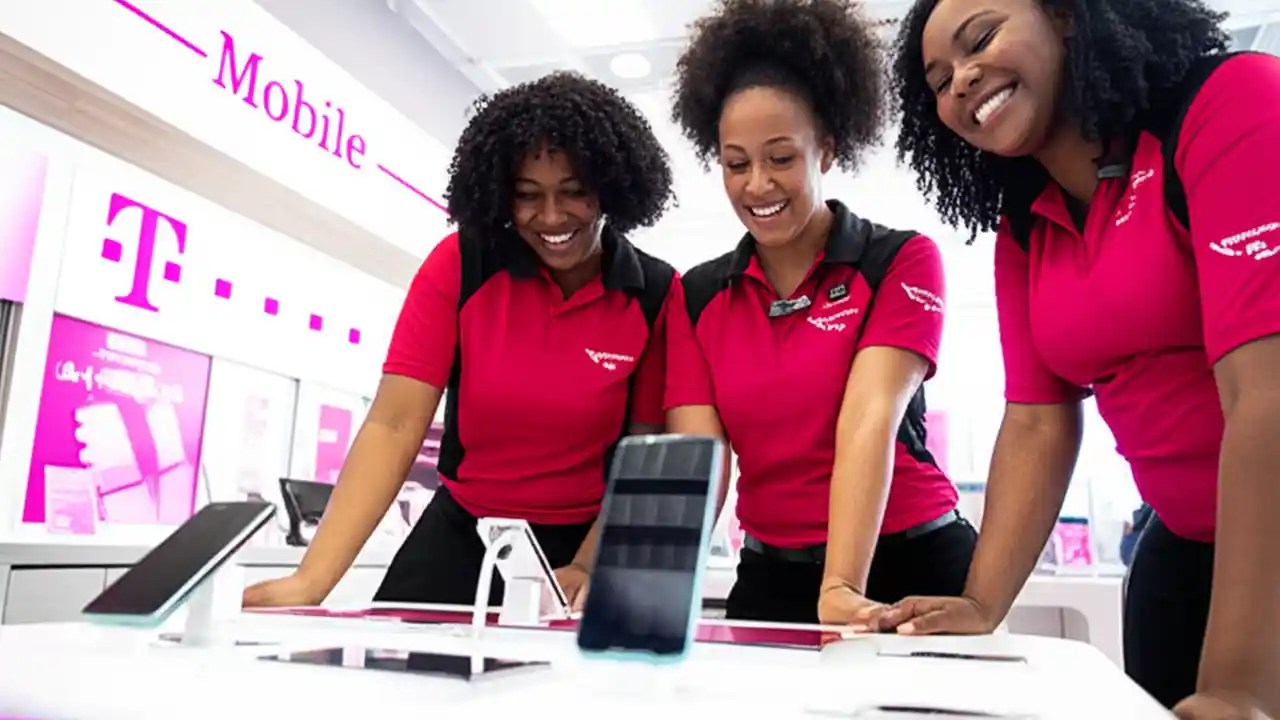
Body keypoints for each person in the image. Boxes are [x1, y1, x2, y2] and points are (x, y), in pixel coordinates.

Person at [883, 0, 1280, 716]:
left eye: (981, 40)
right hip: (1180, 551)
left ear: (1065, 17)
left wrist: (1239, 687)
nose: (962, 82)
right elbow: (1038, 420)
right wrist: (980, 603)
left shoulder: (1231, 102)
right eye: (938, 80)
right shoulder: (1025, 228)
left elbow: (1267, 396)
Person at [243, 71, 679, 611]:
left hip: (583, 545)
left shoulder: (655, 294)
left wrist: (591, 562)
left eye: (574, 193)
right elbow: (394, 425)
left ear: (610, 189)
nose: (550, 217)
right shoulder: (462, 264)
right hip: (462, 532)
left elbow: (644, 457)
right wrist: (310, 582)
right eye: (527, 196)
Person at [663, 0, 977, 627]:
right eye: (736, 163)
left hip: (910, 565)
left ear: (826, 151)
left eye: (781, 158)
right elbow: (696, 461)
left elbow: (868, 420)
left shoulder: (899, 260)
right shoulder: (697, 295)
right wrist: (655, 585)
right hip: (771, 576)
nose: (757, 185)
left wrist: (839, 587)